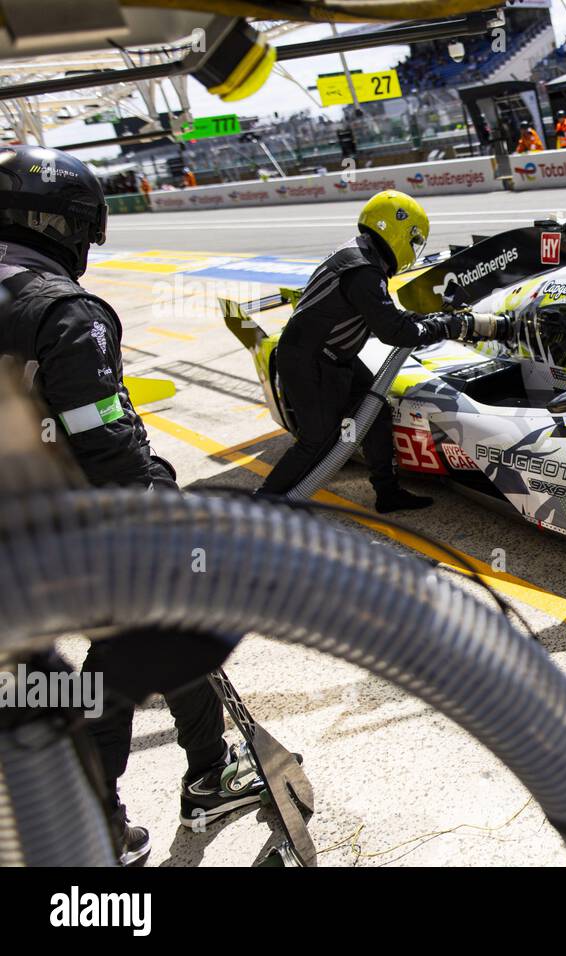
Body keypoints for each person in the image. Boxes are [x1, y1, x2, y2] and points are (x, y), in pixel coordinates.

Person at [0, 144, 264, 865]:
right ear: (61, 223)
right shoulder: (62, 310)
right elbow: (106, 440)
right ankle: (98, 822)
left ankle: (201, 773)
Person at [256, 190, 508, 512]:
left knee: (375, 412)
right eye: (414, 241)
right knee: (316, 440)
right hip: (310, 359)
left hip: (331, 356)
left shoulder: (361, 257)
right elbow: (395, 332)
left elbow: (385, 317)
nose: (413, 250)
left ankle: (387, 493)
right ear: (400, 230)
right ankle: (261, 506)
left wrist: (429, 321)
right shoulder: (362, 269)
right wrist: (445, 326)